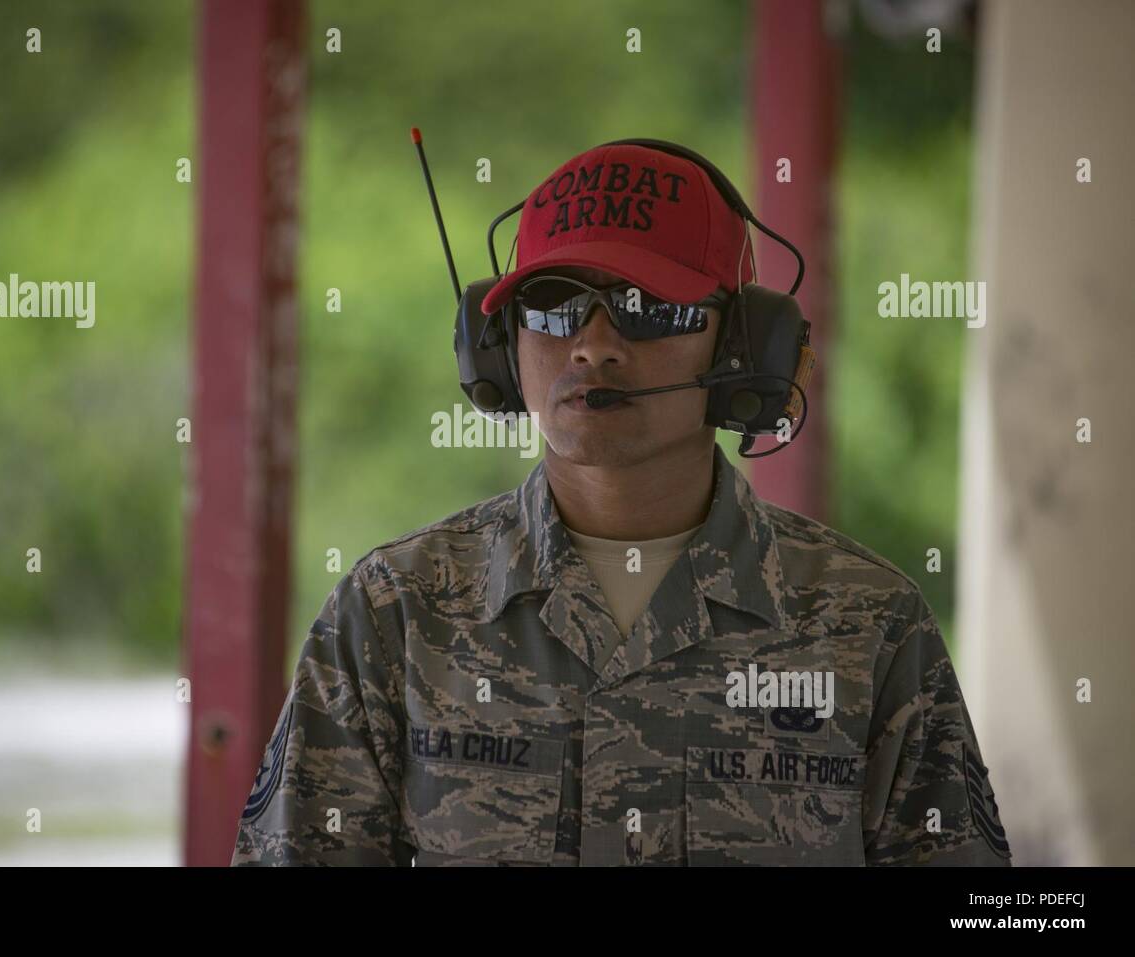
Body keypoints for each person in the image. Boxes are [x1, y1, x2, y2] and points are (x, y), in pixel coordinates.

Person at [231, 141, 1010, 866]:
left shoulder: (868, 624)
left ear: (743, 348)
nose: (593, 346)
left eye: (647, 306)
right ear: (497, 343)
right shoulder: (395, 612)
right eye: (552, 304)